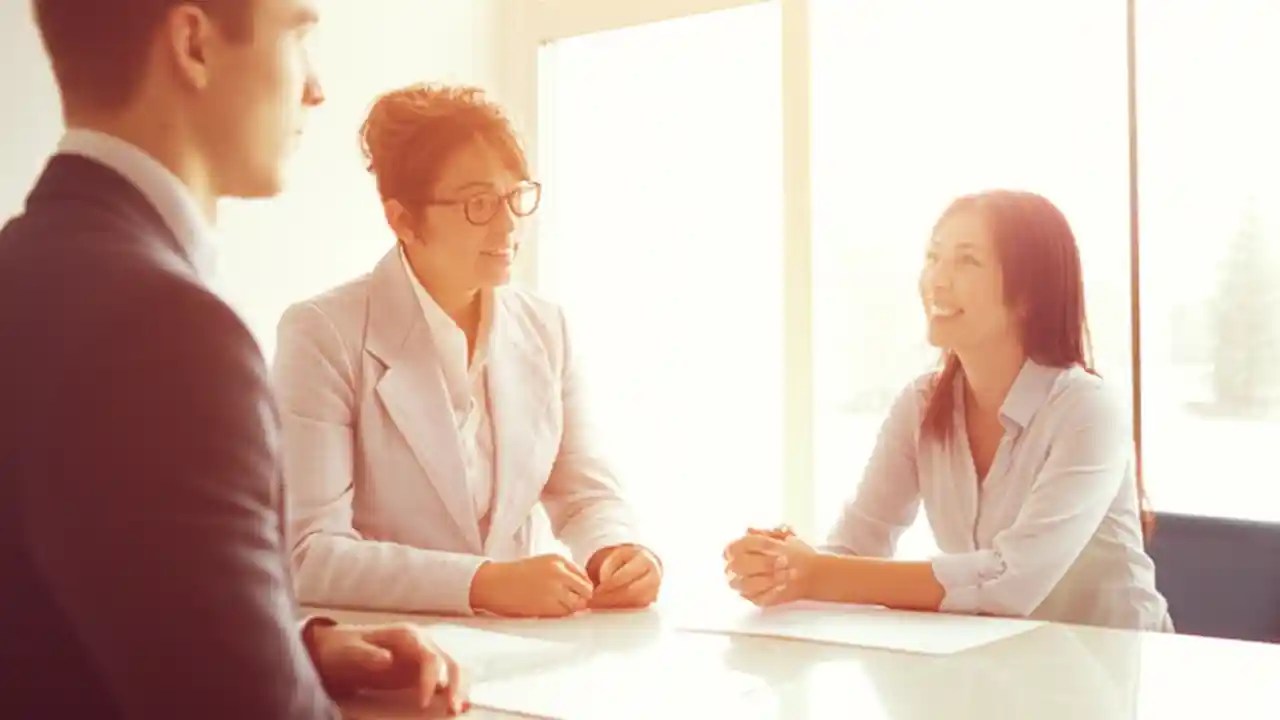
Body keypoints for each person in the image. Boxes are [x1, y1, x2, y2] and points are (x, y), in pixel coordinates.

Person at [0, 2, 468, 716]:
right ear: (193, 42)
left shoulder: (24, 270)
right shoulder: (166, 330)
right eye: (298, 35)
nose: (316, 87)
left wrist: (294, 646)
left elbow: (53, 622)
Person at [273, 83, 661, 617]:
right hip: (386, 652)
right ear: (403, 220)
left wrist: (619, 550)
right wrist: (482, 583)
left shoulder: (547, 327)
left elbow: (585, 493)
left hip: (522, 650)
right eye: (478, 204)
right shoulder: (322, 333)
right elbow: (311, 554)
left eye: (515, 197)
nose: (508, 226)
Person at [723, 190, 1172, 631]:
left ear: (1029, 293)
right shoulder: (921, 405)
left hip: (1121, 672)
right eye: (933, 257)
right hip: (1002, 667)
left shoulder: (1087, 409)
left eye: (967, 261)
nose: (937, 279)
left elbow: (1009, 583)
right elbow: (856, 547)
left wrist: (817, 572)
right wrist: (783, 568)